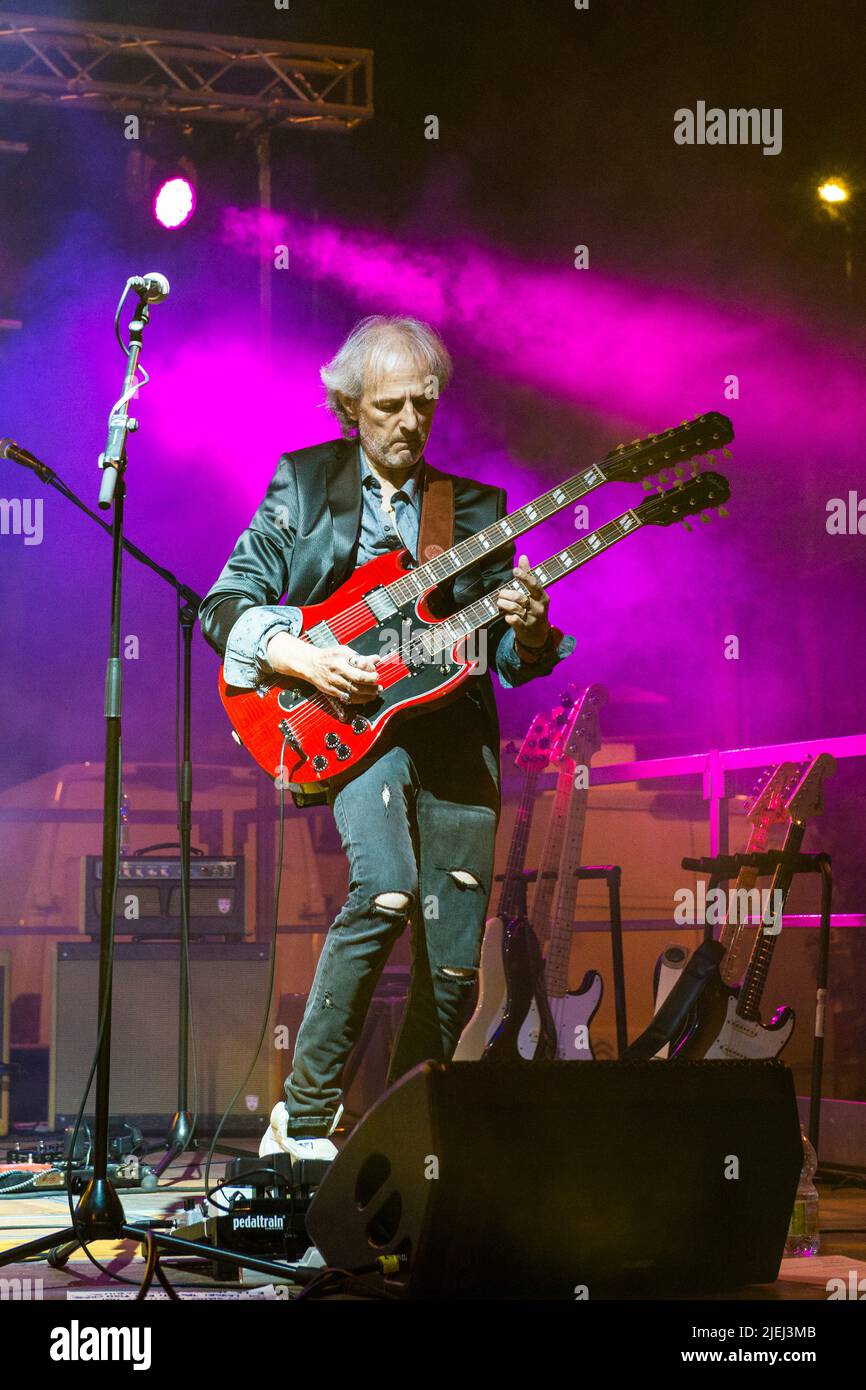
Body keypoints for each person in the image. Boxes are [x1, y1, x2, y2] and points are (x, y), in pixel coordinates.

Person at [199, 315, 574, 1159]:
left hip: (456, 737)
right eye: (390, 407)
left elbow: (506, 657)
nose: (410, 424)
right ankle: (303, 1116)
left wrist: (533, 628)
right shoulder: (304, 484)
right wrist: (305, 657)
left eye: (424, 407)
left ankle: (406, 1145)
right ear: (350, 409)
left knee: (454, 967)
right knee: (386, 889)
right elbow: (223, 605)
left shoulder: (473, 509)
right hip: (357, 725)